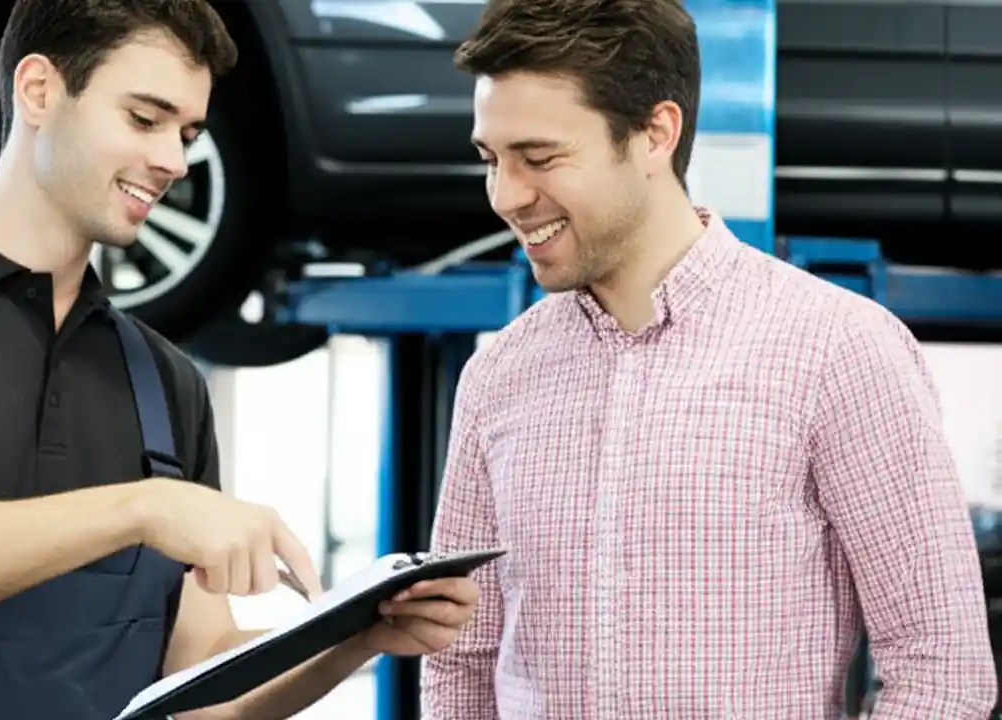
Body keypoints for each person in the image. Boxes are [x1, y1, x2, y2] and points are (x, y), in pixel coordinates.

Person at [0, 1, 480, 718]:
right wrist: (143, 509)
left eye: (188, 132)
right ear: (40, 90)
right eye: (145, 119)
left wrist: (356, 635)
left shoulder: (165, 384)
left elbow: (202, 683)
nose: (175, 160)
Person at [419, 0, 996, 718]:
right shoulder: (499, 374)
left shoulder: (837, 350)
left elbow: (942, 671)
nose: (506, 196)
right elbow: (462, 660)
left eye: (539, 158)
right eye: (490, 159)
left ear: (657, 133)